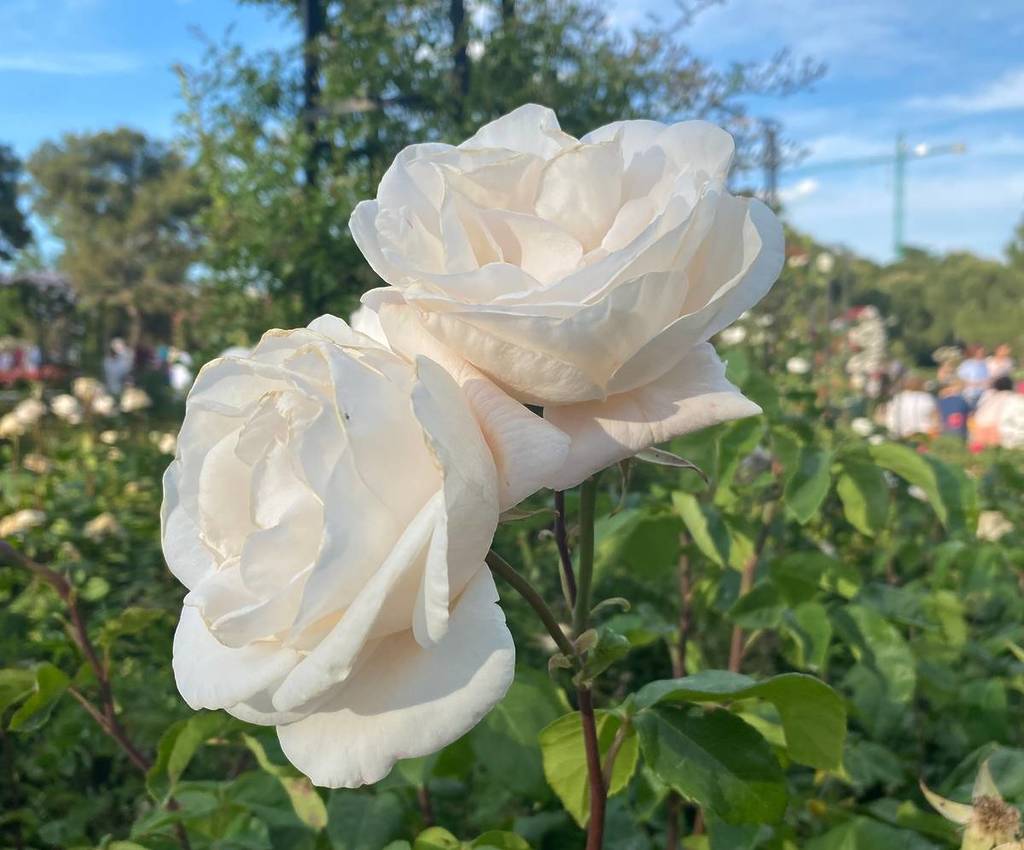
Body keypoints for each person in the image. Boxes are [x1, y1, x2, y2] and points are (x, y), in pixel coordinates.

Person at [971, 376, 1024, 450]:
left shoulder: (989, 394)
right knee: (994, 449)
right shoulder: (1010, 396)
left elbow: (978, 409)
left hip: (978, 423)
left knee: (980, 449)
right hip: (992, 425)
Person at [957, 345, 989, 409]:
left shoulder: (984, 364)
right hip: (969, 394)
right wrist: (976, 384)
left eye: (983, 352)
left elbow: (987, 377)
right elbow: (961, 379)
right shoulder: (966, 364)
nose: (982, 354)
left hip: (982, 394)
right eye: (980, 352)